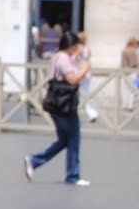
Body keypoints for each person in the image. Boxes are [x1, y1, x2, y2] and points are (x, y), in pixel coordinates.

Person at [23, 30, 90, 186]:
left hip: (56, 102)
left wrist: (77, 57)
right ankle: (72, 175)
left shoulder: (57, 56)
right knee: (73, 138)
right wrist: (84, 69)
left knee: (64, 140)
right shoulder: (64, 59)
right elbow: (72, 79)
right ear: (72, 45)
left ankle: (34, 161)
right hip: (64, 104)